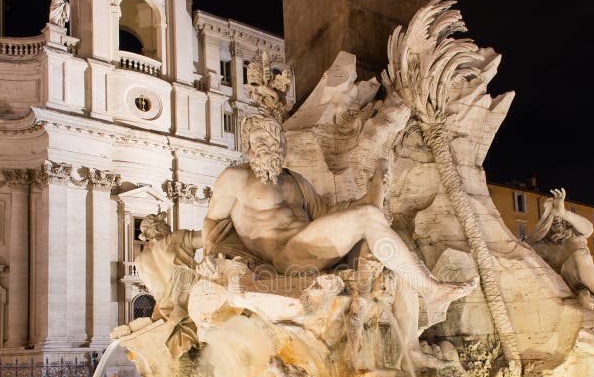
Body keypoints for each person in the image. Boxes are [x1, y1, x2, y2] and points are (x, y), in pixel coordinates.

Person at [203, 111, 477, 325]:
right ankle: (429, 288)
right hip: (283, 258)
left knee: (373, 223)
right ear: (247, 145)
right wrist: (210, 259)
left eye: (268, 139)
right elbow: (213, 223)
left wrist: (374, 187)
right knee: (369, 216)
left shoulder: (297, 181)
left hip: (310, 248)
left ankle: (419, 309)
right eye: (256, 140)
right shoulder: (235, 178)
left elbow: (328, 217)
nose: (262, 145)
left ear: (280, 144)